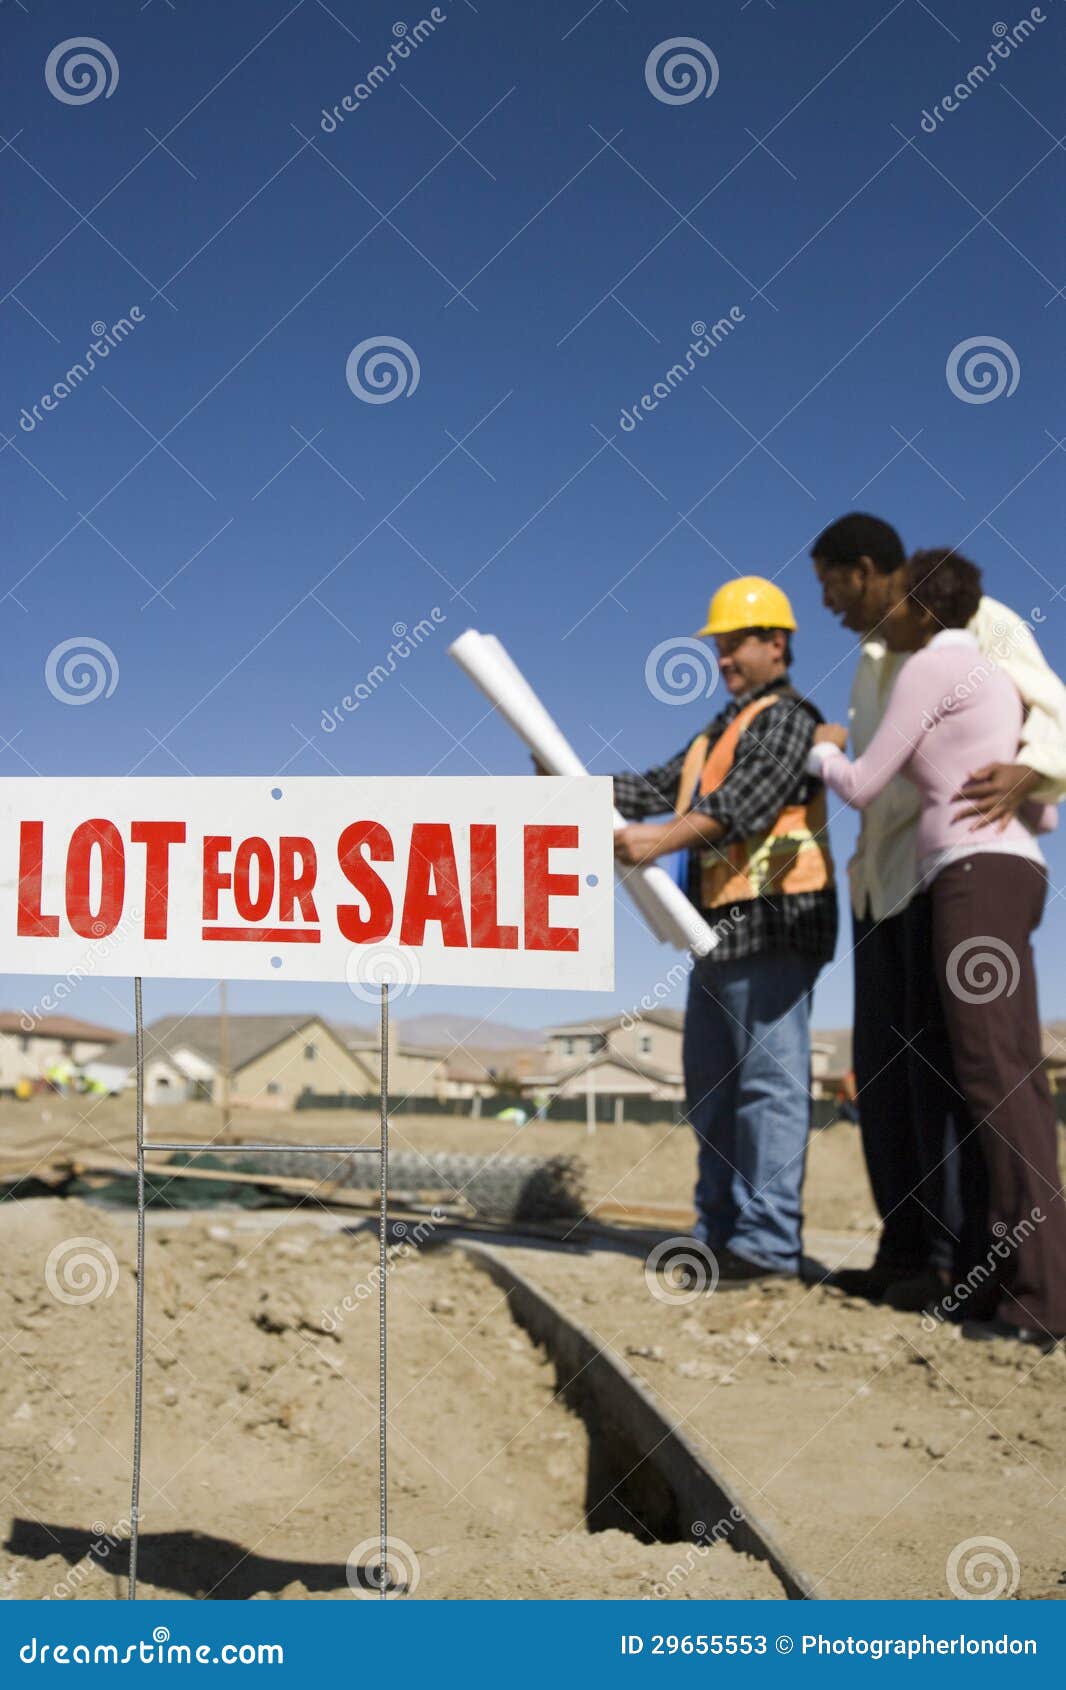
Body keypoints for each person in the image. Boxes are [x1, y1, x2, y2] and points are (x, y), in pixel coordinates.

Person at [810, 548, 1066, 1345]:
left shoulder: (946, 651)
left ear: (892, 587)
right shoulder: (930, 667)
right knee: (950, 1079)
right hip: (942, 876)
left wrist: (821, 747)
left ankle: (1037, 1293)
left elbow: (863, 780)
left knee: (993, 1078)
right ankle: (968, 1271)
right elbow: (1035, 813)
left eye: (836, 589)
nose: (841, 610)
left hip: (963, 878)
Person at [611, 577, 838, 1280]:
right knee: (712, 1088)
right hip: (715, 931)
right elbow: (653, 787)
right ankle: (720, 1231)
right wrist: (563, 784)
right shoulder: (717, 732)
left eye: (734, 644)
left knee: (767, 1086)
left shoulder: (789, 718)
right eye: (719, 647)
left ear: (776, 643)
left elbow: (745, 805)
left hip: (774, 923)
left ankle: (766, 1248)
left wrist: (654, 841)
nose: (722, 659)